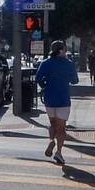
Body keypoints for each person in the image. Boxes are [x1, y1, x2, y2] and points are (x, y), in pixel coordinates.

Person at [35, 39, 79, 171]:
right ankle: (59, 152)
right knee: (61, 128)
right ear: (61, 51)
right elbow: (75, 80)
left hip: (49, 98)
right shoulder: (68, 64)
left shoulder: (45, 63)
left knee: (52, 122)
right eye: (65, 50)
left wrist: (45, 85)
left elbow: (38, 78)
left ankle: (50, 141)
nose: (66, 52)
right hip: (63, 99)